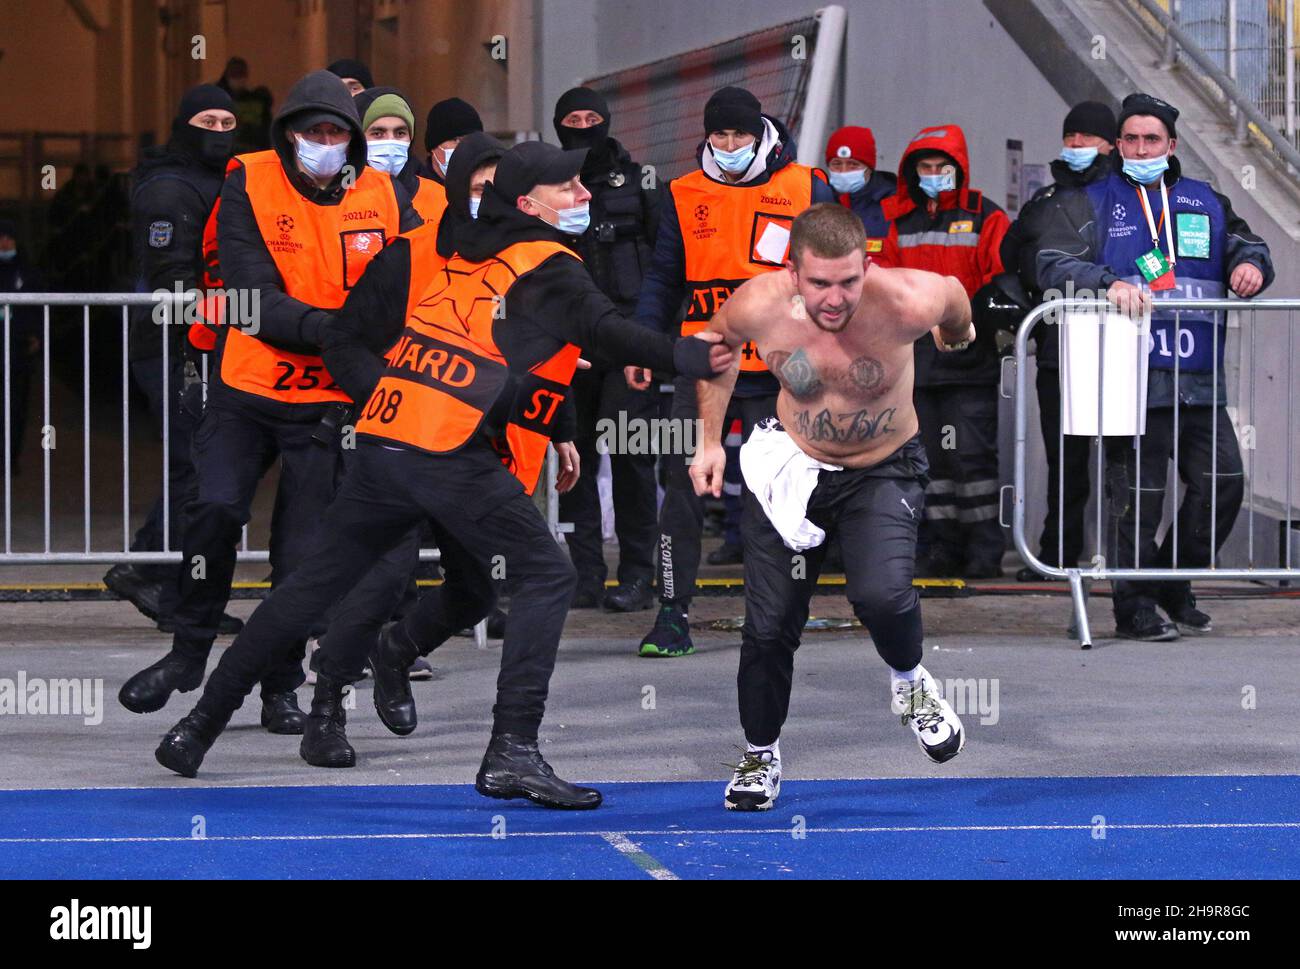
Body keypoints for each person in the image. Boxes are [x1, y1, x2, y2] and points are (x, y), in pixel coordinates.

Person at [152, 140, 734, 811]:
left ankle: (197, 727)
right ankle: (510, 748)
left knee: (316, 591)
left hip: (386, 443)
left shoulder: (459, 246)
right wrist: (693, 353)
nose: (583, 197)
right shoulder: (543, 264)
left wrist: (556, 424)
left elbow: (504, 371)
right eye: (567, 188)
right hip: (444, 452)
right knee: (547, 572)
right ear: (524, 201)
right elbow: (609, 333)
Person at [117, 70, 420, 723]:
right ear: (288, 135)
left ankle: (279, 683)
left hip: (329, 401)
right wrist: (338, 331)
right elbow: (252, 296)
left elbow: (420, 281)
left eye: (336, 132)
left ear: (352, 140)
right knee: (217, 508)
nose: (324, 142)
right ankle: (189, 649)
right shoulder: (248, 180)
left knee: (301, 555)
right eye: (311, 131)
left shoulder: (387, 196)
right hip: (247, 386)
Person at [690, 203, 970, 811]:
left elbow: (954, 297)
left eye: (849, 280)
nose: (836, 297)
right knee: (768, 627)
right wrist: (709, 441)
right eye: (820, 283)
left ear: (867, 267)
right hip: (790, 464)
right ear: (794, 273)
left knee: (882, 596)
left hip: (883, 468)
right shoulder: (760, 304)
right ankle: (760, 753)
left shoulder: (905, 300)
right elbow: (718, 349)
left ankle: (911, 682)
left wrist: (958, 333)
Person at [1036, 92, 1272, 641]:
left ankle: (1170, 579)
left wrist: (1251, 267)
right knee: (1137, 501)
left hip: (1198, 378)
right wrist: (1107, 282)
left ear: (1171, 145)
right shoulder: (1092, 200)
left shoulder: (1205, 200)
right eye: (1133, 139)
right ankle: (1133, 606)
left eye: (1153, 139)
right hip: (1130, 379)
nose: (1142, 147)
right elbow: (1051, 260)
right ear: (1119, 145)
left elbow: (1250, 244)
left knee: (1225, 484)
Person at [633, 85, 835, 657]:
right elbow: (662, 279)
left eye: (739, 135)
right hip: (705, 358)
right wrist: (645, 348)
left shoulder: (804, 186)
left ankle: (774, 610)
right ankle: (672, 612)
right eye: (719, 135)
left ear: (758, 133)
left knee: (783, 484)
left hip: (782, 361)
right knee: (683, 482)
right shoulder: (680, 192)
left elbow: (835, 274)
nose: (728, 144)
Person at [102, 85, 244, 635]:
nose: (219, 131)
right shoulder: (168, 187)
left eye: (227, 121)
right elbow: (172, 279)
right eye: (207, 120)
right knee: (195, 464)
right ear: (185, 125)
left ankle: (160, 575)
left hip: (208, 342)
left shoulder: (231, 178)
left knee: (200, 464)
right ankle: (159, 576)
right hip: (173, 344)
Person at [876, 124, 1011, 578]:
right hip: (916, 360)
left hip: (969, 358)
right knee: (928, 458)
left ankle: (984, 549)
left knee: (971, 457)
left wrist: (973, 331)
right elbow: (886, 282)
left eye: (942, 167)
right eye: (925, 167)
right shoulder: (900, 220)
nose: (933, 174)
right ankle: (942, 547)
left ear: (959, 169)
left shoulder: (985, 217)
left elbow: (998, 282)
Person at [550, 86, 661, 612]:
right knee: (573, 458)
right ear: (558, 125)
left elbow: (665, 266)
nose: (585, 126)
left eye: (593, 118)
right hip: (570, 342)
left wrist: (653, 339)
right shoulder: (545, 183)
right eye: (574, 119)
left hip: (628, 339)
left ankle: (639, 575)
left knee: (635, 456)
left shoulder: (639, 181)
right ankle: (585, 575)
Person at [1000, 101, 1116, 580]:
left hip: (1120, 350)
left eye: (1087, 138)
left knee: (1126, 462)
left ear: (1110, 144)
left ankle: (1125, 563)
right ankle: (1059, 554)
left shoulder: (1128, 199)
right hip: (1058, 348)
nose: (1076, 146)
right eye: (1070, 138)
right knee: (1064, 459)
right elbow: (1012, 256)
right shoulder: (1043, 201)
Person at [0, 218, 42, 477]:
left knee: (15, 408)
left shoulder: (27, 273)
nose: (5, 243)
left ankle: (9, 458)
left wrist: (34, 335)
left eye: (9, 238)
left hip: (17, 353)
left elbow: (37, 309)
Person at [414, 97, 485, 225]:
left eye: (470, 140)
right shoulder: (414, 191)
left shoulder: (487, 190)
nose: (463, 147)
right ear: (433, 147)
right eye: (455, 140)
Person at [825, 125, 896, 246]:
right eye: (836, 164)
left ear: (869, 168)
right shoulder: (818, 199)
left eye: (853, 164)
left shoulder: (894, 203)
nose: (844, 171)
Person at [216, 57, 272, 154]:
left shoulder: (255, 99)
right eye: (235, 75)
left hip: (252, 149)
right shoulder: (218, 99)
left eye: (241, 75)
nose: (238, 79)